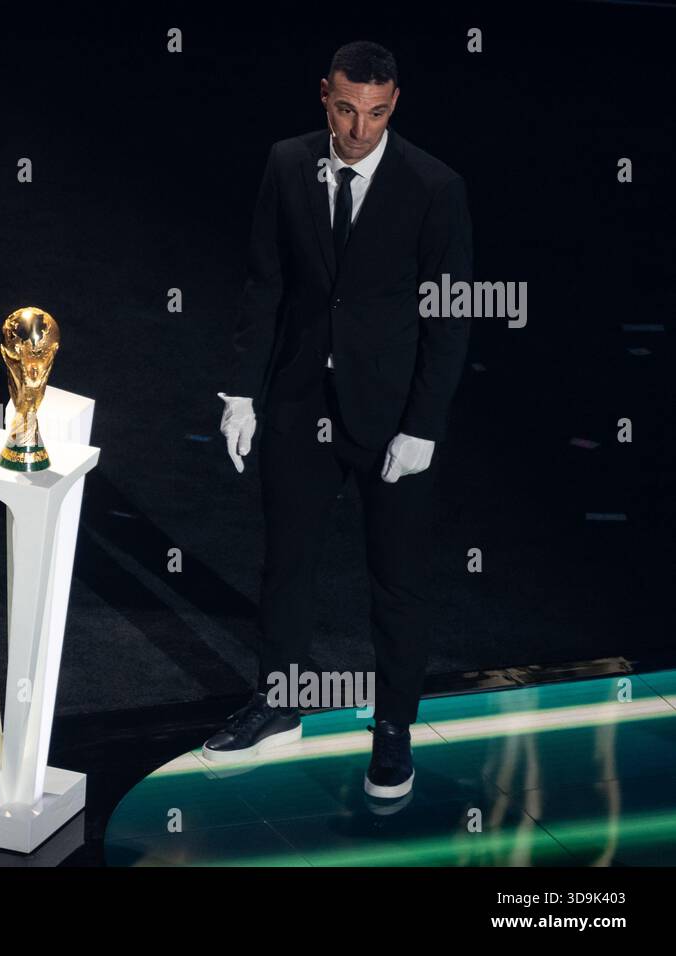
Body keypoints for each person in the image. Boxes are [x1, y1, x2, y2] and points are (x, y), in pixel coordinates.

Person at [209, 41, 472, 799]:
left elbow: (449, 318)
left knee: (396, 581)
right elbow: (266, 282)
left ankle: (393, 729)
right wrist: (240, 391)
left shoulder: (433, 186)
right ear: (324, 95)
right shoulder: (287, 162)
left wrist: (423, 426)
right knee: (286, 563)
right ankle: (282, 703)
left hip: (392, 417)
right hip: (299, 401)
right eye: (348, 110)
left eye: (379, 114)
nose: (361, 130)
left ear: (396, 104)